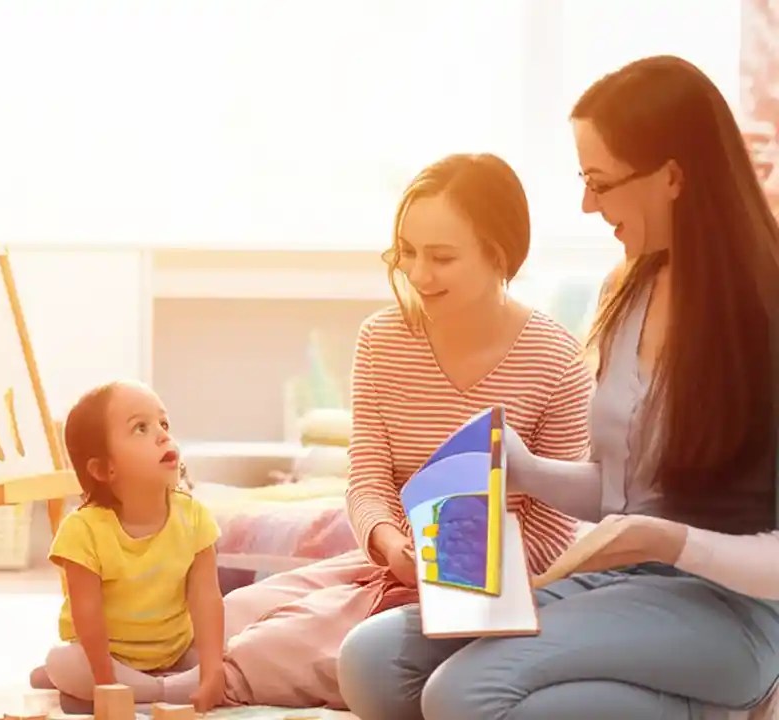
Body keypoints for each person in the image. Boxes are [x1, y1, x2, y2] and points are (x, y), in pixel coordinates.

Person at [338, 55, 779, 720]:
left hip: (729, 609)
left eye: (600, 182)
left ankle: (714, 704)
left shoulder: (764, 310)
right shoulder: (626, 292)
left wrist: (668, 541)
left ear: (673, 178)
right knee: (373, 663)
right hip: (620, 585)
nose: (585, 204)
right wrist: (526, 467)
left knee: (464, 694)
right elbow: (615, 492)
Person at [146, 153, 597, 709]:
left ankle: (183, 690)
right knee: (210, 623)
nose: (417, 273)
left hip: (485, 592)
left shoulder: (555, 360)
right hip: (386, 561)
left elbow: (554, 536)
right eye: (407, 252)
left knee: (269, 650)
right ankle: (170, 670)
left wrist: (450, 569)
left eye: (442, 257)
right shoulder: (382, 340)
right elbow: (368, 479)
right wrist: (388, 541)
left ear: (497, 255)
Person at [29, 380, 226, 713]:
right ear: (104, 469)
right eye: (141, 428)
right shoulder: (83, 530)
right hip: (108, 658)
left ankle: (155, 688)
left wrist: (212, 669)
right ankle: (158, 690)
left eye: (164, 424)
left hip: (177, 651)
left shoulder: (194, 517)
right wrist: (106, 685)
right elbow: (86, 615)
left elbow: (206, 598)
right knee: (64, 662)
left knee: (231, 644)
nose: (163, 435)